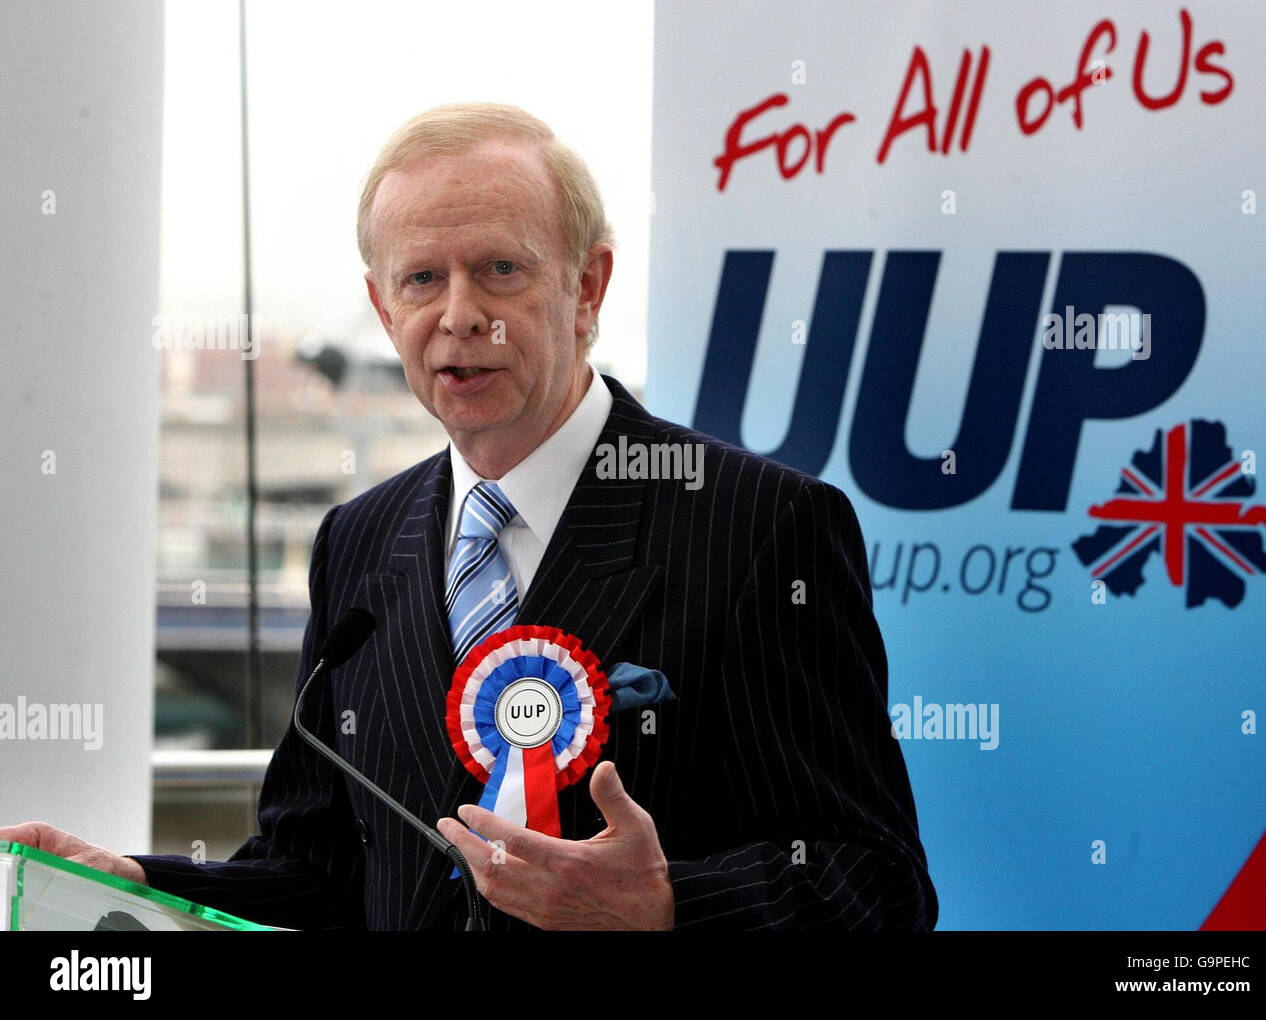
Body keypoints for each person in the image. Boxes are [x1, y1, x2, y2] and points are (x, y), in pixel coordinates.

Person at [1, 104, 937, 930]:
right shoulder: (357, 542)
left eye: (500, 270)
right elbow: (320, 874)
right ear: (380, 303)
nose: (461, 316)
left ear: (588, 286)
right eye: (420, 280)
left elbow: (877, 884)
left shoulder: (762, 527)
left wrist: (665, 907)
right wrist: (138, 885)